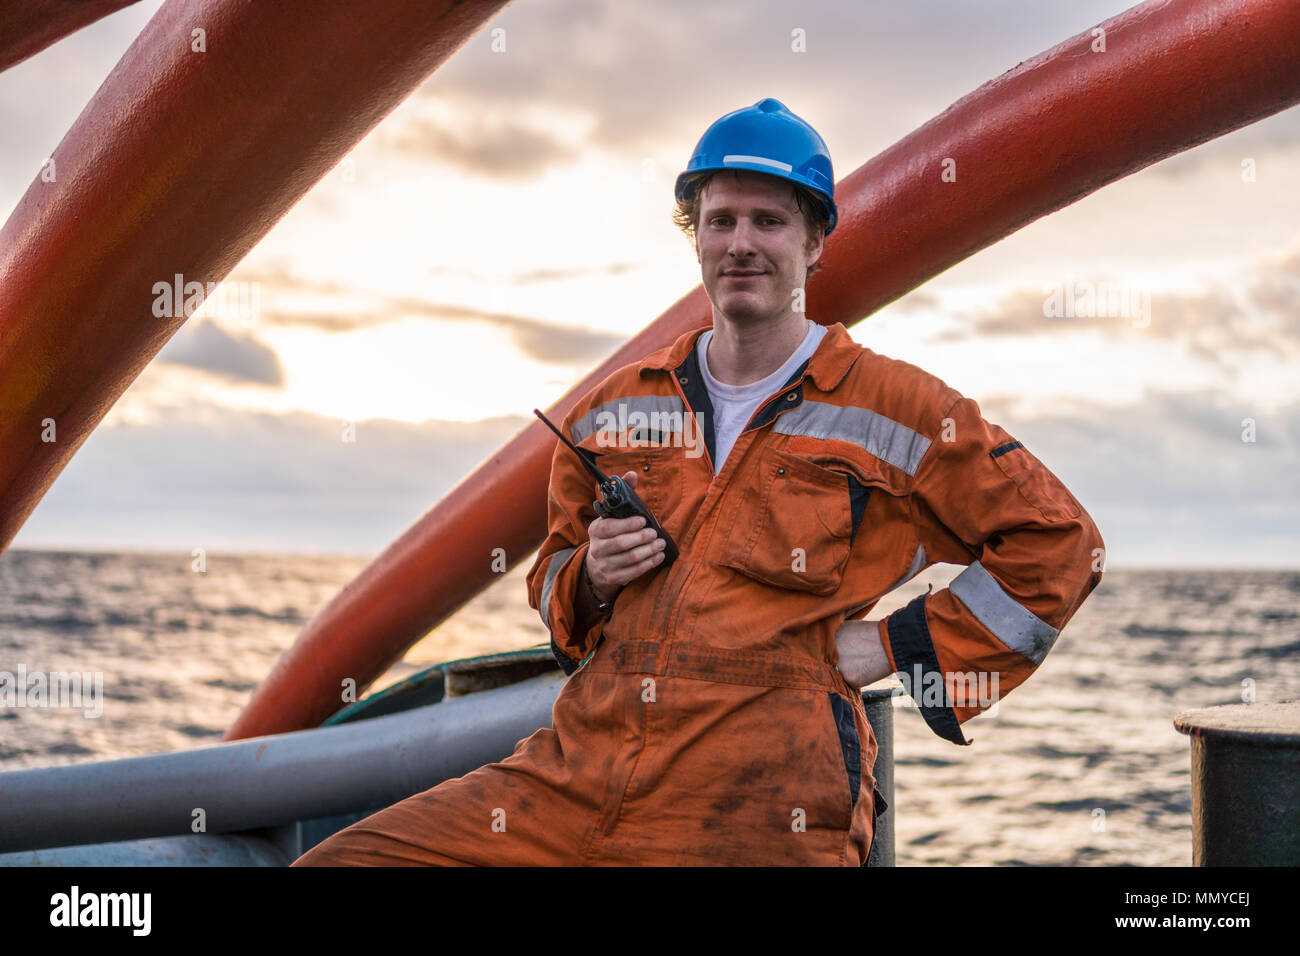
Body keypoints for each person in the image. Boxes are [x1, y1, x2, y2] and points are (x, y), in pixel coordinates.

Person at [293, 97, 1104, 867]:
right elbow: (554, 595)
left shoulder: (897, 406)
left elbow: (1061, 546)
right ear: (696, 238)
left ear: (815, 241)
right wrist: (591, 577)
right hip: (577, 775)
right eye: (720, 221)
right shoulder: (613, 410)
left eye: (769, 221)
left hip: (762, 800)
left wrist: (893, 647)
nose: (741, 243)